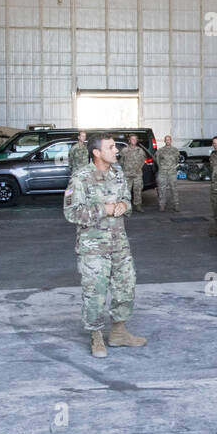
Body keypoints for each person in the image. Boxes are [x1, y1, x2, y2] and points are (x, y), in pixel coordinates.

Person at [62, 133, 147, 357]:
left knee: (126, 285)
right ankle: (96, 335)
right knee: (95, 292)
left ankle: (119, 331)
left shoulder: (118, 174)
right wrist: (105, 209)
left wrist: (122, 206)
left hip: (119, 243)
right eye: (110, 148)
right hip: (93, 247)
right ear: (96, 153)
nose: (116, 151)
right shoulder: (80, 178)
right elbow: (71, 212)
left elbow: (126, 199)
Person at [153, 135, 181, 212]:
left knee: (174, 189)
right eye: (166, 140)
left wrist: (171, 167)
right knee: (161, 190)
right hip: (162, 173)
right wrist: (161, 167)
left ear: (171, 140)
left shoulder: (175, 150)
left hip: (172, 173)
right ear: (164, 141)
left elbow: (177, 160)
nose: (167, 141)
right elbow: (157, 160)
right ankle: (162, 205)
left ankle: (176, 205)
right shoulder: (160, 150)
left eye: (169, 139)